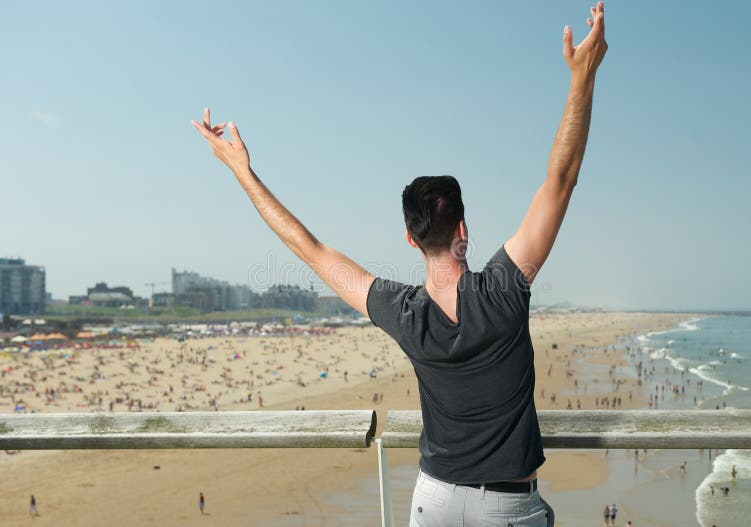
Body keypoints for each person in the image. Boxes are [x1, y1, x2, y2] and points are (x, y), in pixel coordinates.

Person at [191, 4, 607, 525]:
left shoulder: (402, 311)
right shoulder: (502, 289)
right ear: (463, 230)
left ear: (410, 241)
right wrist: (582, 76)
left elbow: (308, 248)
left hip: (432, 500)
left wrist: (241, 171)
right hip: (505, 504)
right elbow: (560, 180)